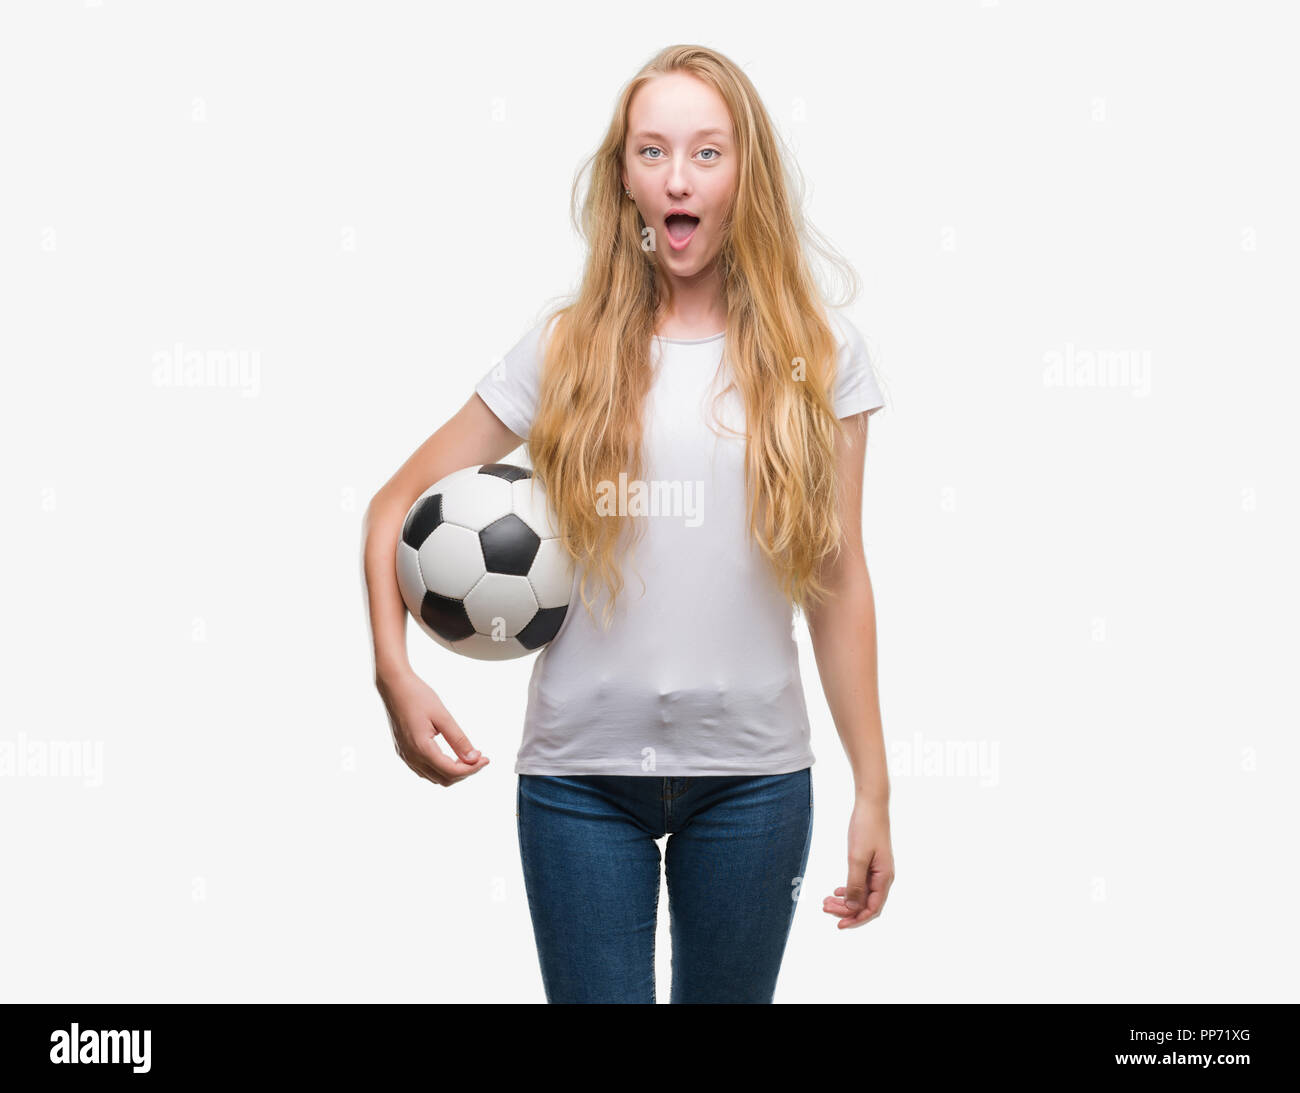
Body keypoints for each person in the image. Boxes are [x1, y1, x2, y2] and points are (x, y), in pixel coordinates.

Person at [361, 44, 895, 1004]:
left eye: (706, 152)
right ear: (623, 179)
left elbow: (839, 578)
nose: (678, 178)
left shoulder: (823, 353)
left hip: (754, 780)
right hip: (578, 781)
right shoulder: (566, 346)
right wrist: (394, 671)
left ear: (748, 173)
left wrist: (875, 791)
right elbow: (392, 505)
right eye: (652, 152)